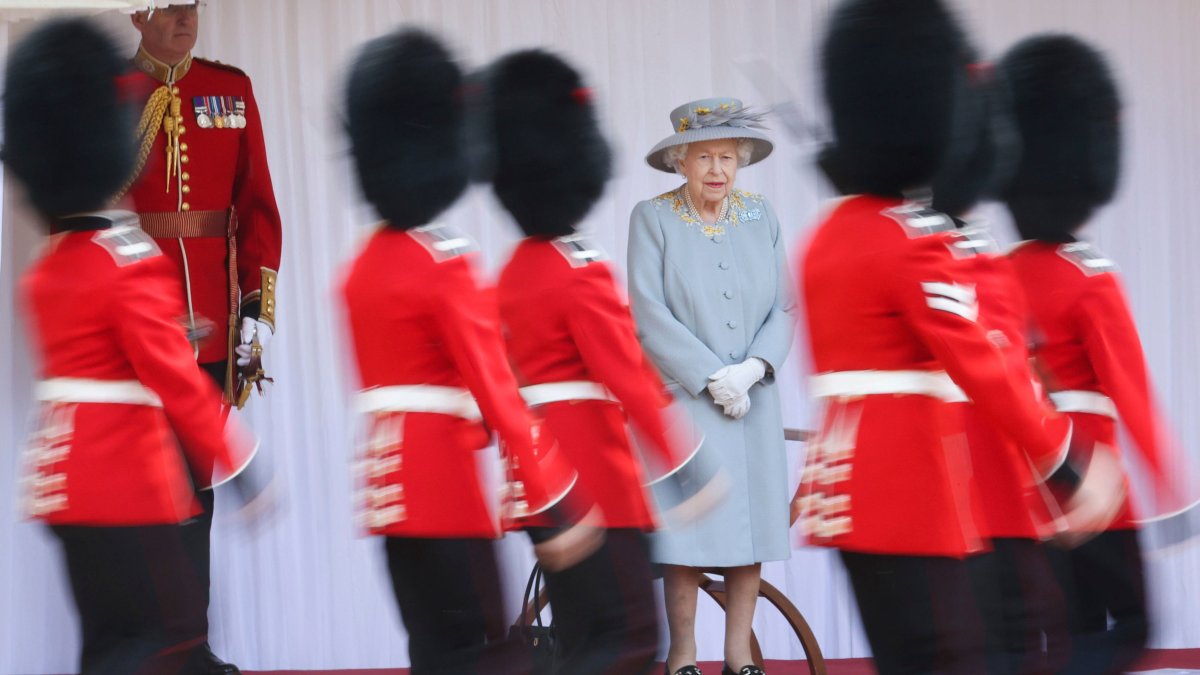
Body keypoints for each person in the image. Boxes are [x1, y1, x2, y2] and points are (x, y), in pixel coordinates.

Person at [790, 0, 1104, 673]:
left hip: (841, 496)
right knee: (952, 657)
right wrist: (1063, 461)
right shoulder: (907, 239)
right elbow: (982, 361)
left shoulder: (824, 236)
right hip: (912, 493)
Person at [5, 18, 264, 675]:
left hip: (62, 485)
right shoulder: (129, 261)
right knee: (160, 639)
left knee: (107, 644)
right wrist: (242, 466)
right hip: (127, 483)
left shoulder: (46, 268)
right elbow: (176, 381)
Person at [339, 29, 587, 675]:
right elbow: (495, 391)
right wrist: (553, 502)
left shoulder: (359, 269)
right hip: (444, 489)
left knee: (433, 649)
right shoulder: (444, 263)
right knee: (485, 651)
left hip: (387, 492)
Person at [484, 48, 697, 674]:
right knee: (627, 642)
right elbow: (626, 372)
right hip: (595, 480)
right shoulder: (579, 268)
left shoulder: (513, 271)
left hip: (538, 482)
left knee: (581, 639)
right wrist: (686, 463)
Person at [1000, 34, 1180, 675]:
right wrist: (1174, 490)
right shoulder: (1091, 276)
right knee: (1132, 627)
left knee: (1067, 629)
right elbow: (1131, 389)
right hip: (1096, 477)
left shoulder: (996, 274)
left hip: (1027, 481)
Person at [118, 3, 284, 671]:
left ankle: (188, 650)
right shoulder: (110, 94)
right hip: (134, 330)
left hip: (211, 329)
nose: (186, 15)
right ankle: (136, 650)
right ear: (137, 14)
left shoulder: (229, 89)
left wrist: (255, 307)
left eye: (193, 2)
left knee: (196, 496)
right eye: (170, 4)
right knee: (135, 498)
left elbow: (256, 207)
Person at [627, 96, 793, 675]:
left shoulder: (761, 215)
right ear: (680, 162)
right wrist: (710, 375)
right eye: (703, 157)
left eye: (727, 156)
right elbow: (648, 312)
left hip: (755, 400)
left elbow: (784, 306)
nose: (717, 169)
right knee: (688, 535)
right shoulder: (653, 217)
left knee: (752, 528)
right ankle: (684, 656)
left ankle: (739, 654)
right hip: (686, 402)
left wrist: (753, 368)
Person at [930, 66, 1070, 675]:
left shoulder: (982, 251)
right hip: (958, 468)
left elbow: (1016, 359)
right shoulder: (933, 248)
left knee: (1016, 634)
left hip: (1003, 468)